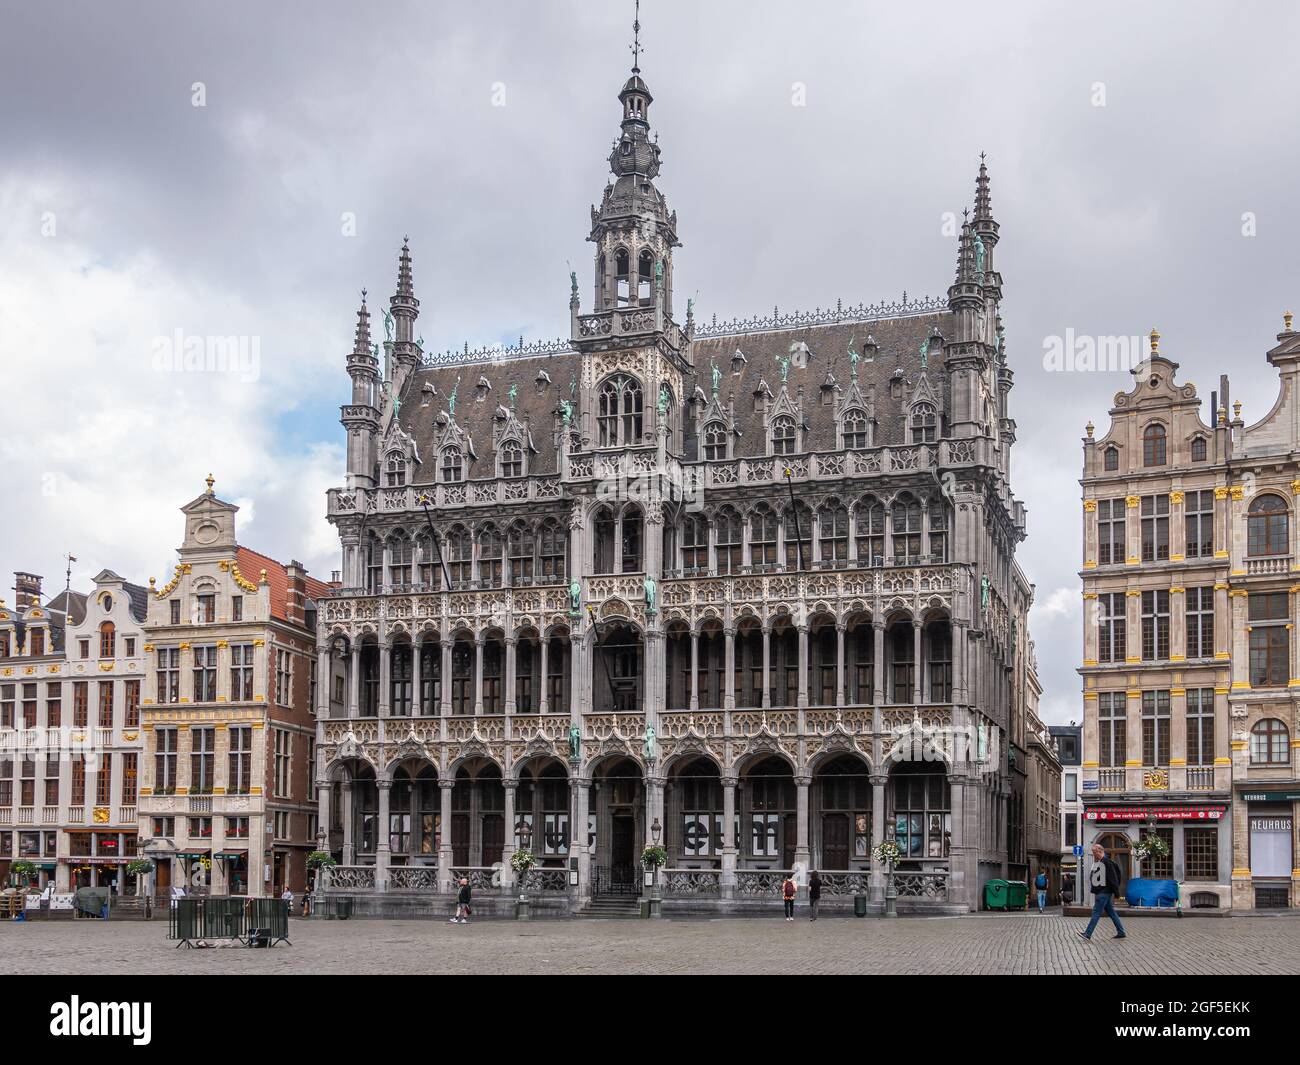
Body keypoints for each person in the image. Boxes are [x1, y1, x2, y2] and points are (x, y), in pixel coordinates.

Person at [1078, 843, 1126, 941]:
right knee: (1111, 912)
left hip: (1103, 892)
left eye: (1094, 852)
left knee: (1096, 912)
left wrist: (1116, 893)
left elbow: (1113, 878)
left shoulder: (1106, 862)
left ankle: (1087, 934)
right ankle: (1121, 932)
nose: (1093, 854)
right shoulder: (1101, 862)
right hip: (1104, 892)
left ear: (1099, 851)